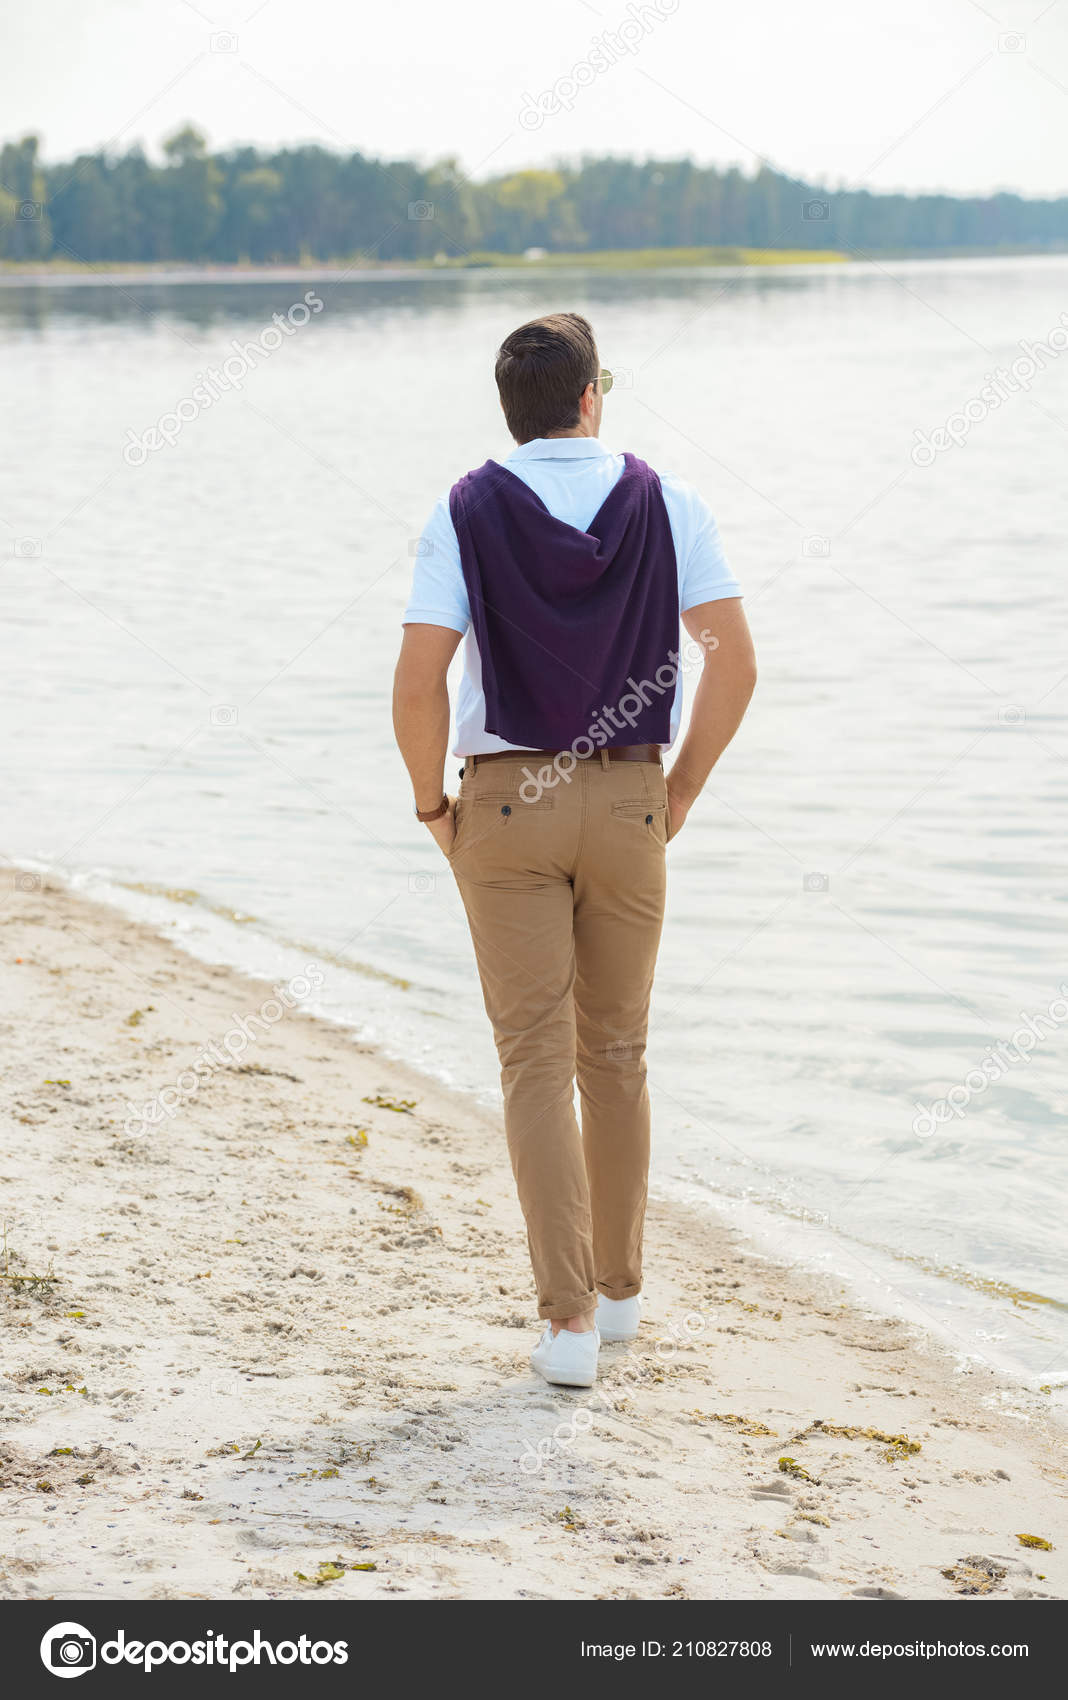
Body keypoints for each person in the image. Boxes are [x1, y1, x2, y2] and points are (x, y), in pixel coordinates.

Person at [393, 312, 756, 1387]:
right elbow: (734, 663)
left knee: (535, 1060)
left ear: (514, 410)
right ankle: (624, 1294)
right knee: (618, 1053)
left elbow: (417, 684)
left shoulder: (463, 508)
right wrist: (678, 790)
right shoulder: (669, 501)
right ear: (593, 395)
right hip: (632, 796)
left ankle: (566, 1326)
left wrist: (434, 808)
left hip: (506, 805)